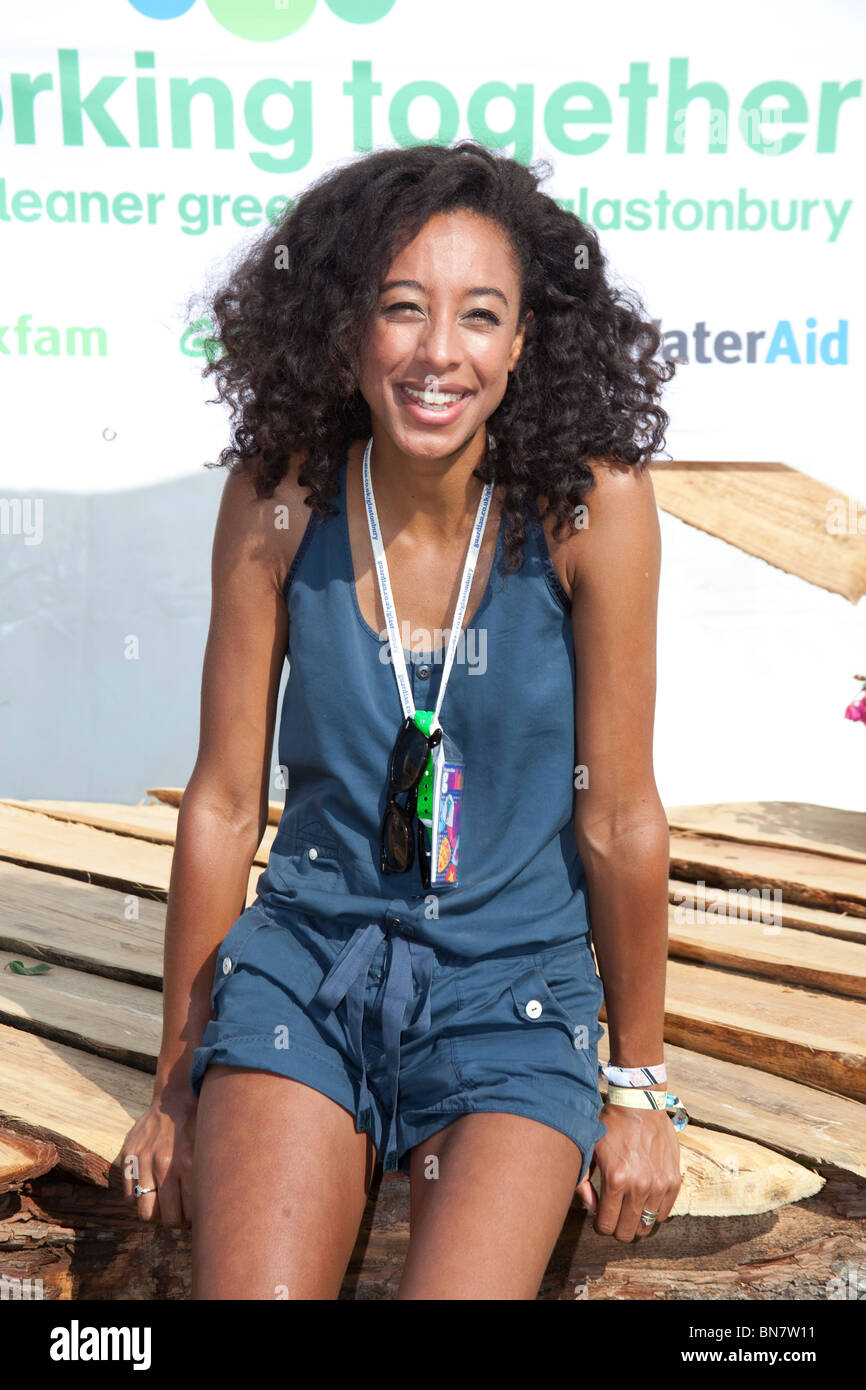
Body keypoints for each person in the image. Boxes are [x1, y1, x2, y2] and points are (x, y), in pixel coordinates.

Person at [120, 140, 683, 1300]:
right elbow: (224, 801)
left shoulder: (589, 505)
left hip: (511, 995)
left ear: (522, 342)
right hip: (305, 972)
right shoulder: (283, 492)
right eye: (401, 309)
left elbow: (620, 815)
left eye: (479, 316)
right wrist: (176, 1078)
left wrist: (638, 1083)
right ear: (344, 329)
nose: (439, 353)